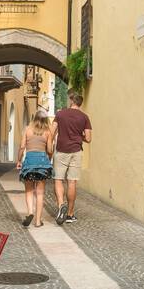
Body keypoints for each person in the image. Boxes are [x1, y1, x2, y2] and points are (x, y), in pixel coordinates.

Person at [52, 92, 91, 225]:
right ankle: (70, 214)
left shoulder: (60, 114)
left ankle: (61, 205)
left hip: (61, 150)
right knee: (72, 182)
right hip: (76, 151)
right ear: (80, 103)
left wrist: (49, 150)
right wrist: (80, 137)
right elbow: (89, 138)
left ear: (71, 101)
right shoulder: (84, 117)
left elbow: (52, 132)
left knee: (58, 180)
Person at [17, 111, 55, 228]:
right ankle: (38, 221)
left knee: (29, 191)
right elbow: (49, 150)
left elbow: (22, 147)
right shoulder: (48, 132)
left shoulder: (27, 129)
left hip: (29, 163)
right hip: (42, 163)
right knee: (40, 193)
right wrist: (49, 158)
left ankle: (30, 213)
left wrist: (19, 160)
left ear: (34, 118)